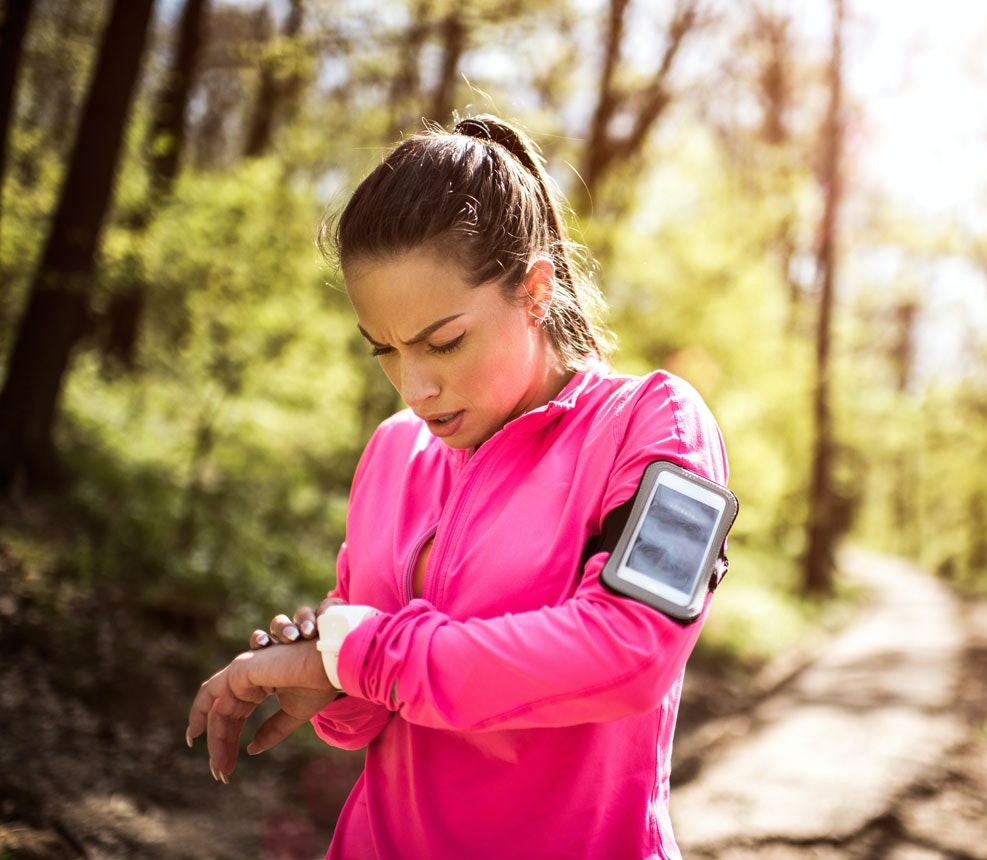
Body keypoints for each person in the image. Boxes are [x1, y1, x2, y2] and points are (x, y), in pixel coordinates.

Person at [185, 114, 732, 859]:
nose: (414, 386)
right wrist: (329, 685)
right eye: (385, 348)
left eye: (444, 343)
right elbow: (374, 692)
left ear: (535, 290)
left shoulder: (657, 425)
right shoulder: (392, 449)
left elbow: (631, 649)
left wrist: (358, 658)